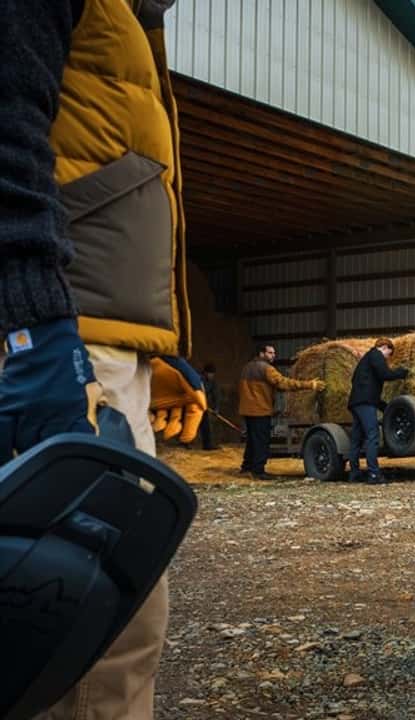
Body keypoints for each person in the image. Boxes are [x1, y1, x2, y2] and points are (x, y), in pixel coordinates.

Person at [0, 0, 210, 717]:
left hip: (93, 338)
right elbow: (7, 120)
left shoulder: (129, 19)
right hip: (54, 335)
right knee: (83, 622)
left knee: (108, 626)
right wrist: (37, 330)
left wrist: (148, 358)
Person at [238, 344, 323, 479]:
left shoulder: (246, 368)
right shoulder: (266, 369)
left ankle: (246, 467)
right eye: (270, 353)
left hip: (247, 410)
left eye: (274, 353)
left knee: (252, 440)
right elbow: (283, 383)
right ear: (261, 354)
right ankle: (258, 470)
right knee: (261, 441)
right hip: (260, 410)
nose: (273, 356)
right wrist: (309, 385)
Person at [347, 338, 409, 485]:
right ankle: (374, 474)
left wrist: (383, 406)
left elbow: (363, 384)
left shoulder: (365, 361)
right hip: (365, 404)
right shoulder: (375, 355)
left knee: (356, 439)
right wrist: (402, 373)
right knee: (372, 436)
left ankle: (354, 474)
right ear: (385, 347)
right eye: (389, 353)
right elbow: (385, 374)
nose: (388, 357)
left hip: (357, 403)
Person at [199, 363, 220, 450]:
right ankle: (185, 443)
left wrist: (216, 408)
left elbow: (216, 395)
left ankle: (207, 445)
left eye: (212, 374)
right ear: (205, 373)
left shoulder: (212, 382)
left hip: (204, 406)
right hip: (195, 404)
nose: (211, 376)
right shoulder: (199, 379)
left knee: (206, 424)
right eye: (209, 373)